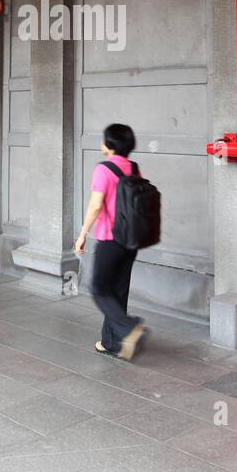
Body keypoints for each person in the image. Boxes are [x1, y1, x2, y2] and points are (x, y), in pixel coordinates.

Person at [74, 123, 148, 361]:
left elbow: (96, 205)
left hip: (110, 239)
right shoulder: (134, 168)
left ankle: (130, 328)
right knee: (117, 291)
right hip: (131, 240)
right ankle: (111, 343)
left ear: (109, 144)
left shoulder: (104, 169)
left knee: (99, 289)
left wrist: (83, 233)